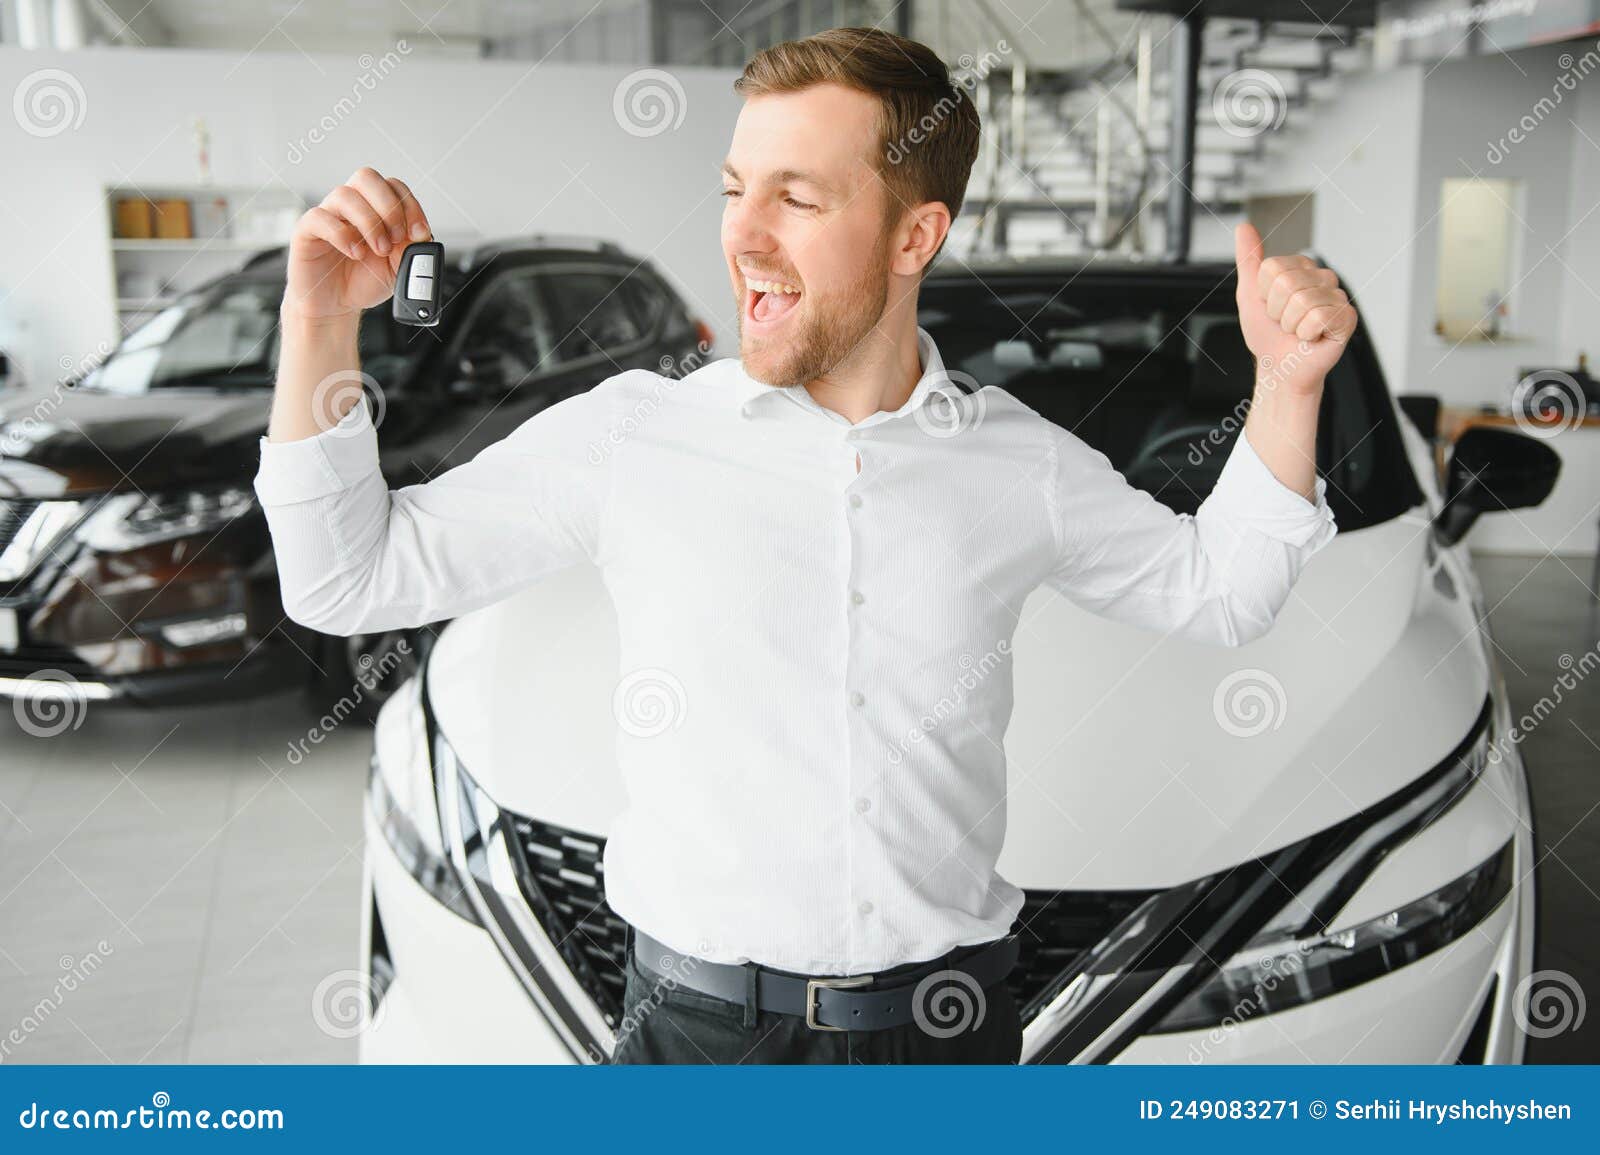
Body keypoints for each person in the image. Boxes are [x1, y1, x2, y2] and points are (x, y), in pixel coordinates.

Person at [253, 26, 1352, 1064]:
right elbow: (348, 578)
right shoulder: (631, 435)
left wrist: (1288, 386)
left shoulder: (1018, 463)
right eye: (736, 190)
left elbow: (1222, 594)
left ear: (915, 233)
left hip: (943, 1037)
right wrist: (316, 324)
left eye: (797, 197)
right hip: (696, 1038)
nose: (741, 234)